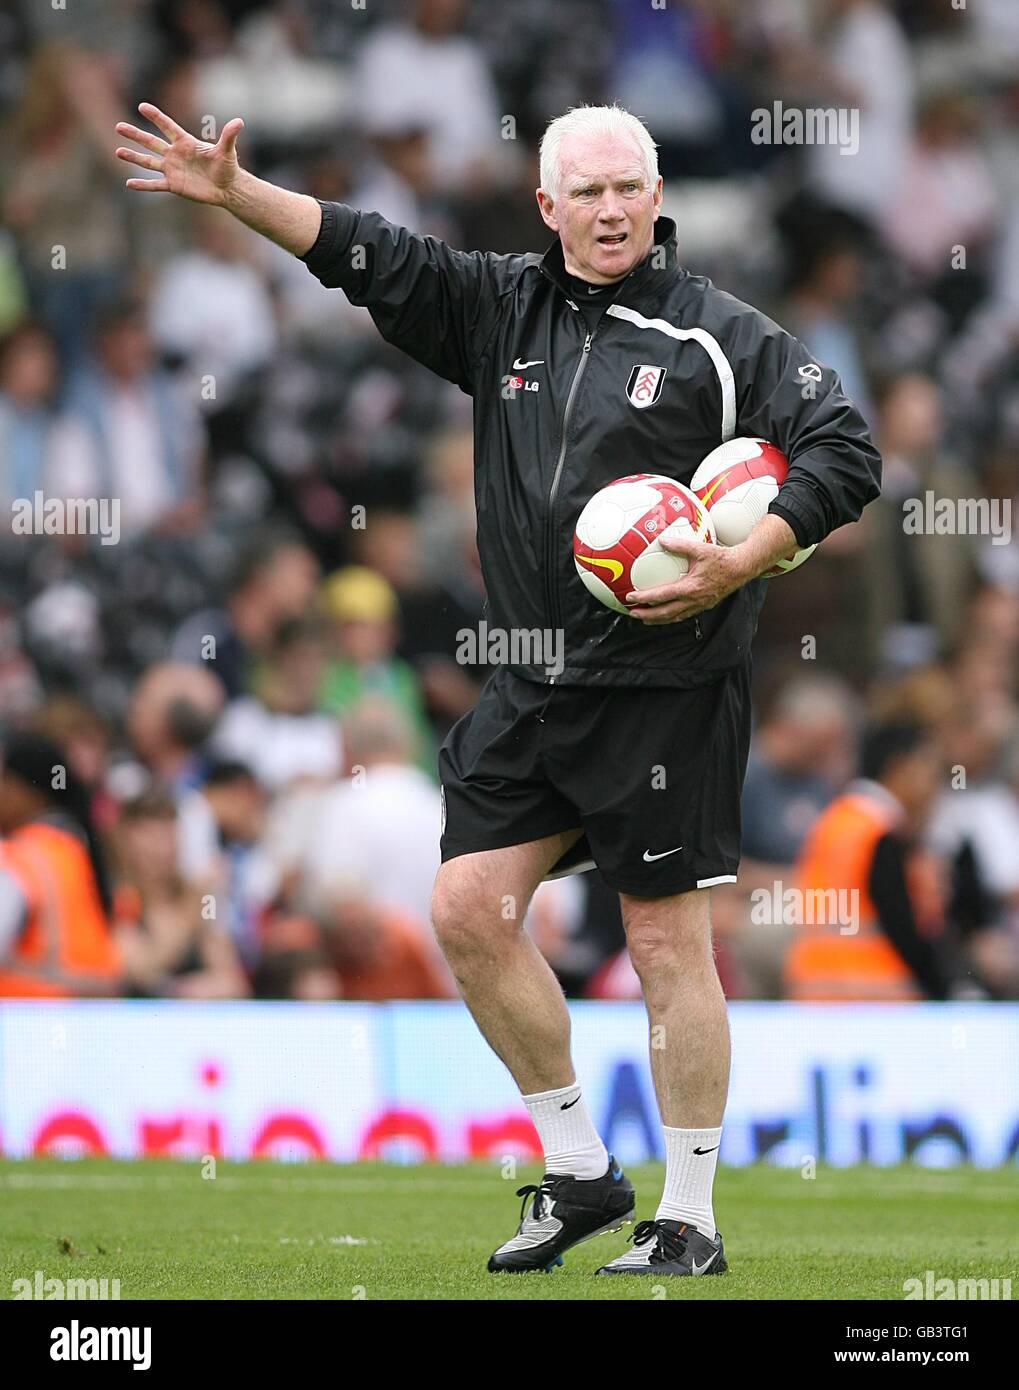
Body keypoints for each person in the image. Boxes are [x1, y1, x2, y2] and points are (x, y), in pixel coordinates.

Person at [115, 100, 881, 1277]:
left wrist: (755, 543)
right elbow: (366, 253)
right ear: (547, 208)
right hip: (528, 680)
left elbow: (843, 444)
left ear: (658, 192)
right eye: (587, 193)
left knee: (664, 943)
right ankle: (578, 1169)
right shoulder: (497, 310)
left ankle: (687, 1215)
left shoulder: (719, 335)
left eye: (629, 186)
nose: (612, 208)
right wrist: (236, 195)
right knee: (468, 910)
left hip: (663, 683)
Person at [0, 730, 121, 997]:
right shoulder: (73, 848)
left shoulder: (18, 855)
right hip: (86, 1017)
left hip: (25, 1021)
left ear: (26, 790)